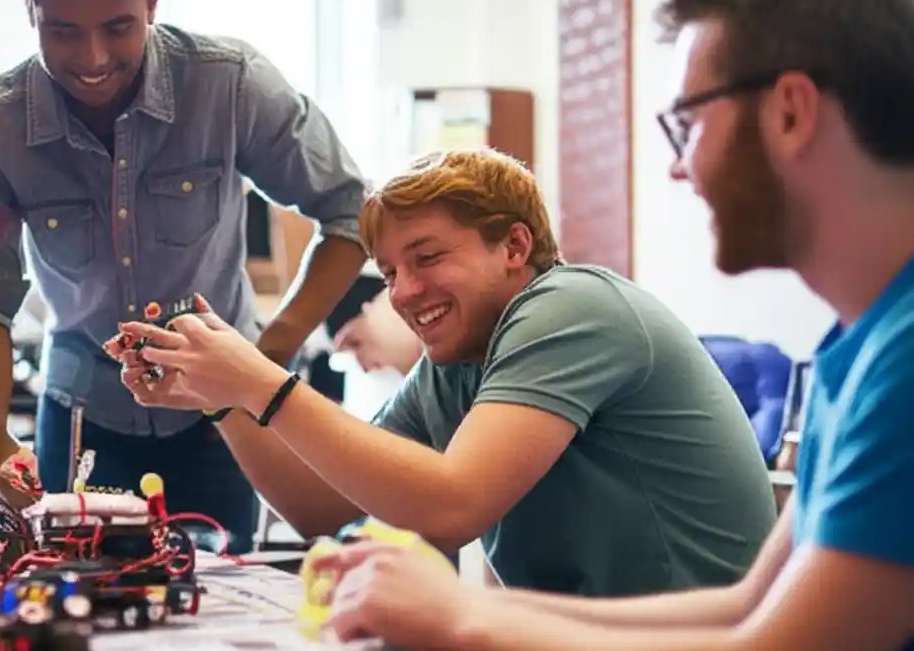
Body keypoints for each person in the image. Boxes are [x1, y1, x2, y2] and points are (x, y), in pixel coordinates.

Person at [300, 0, 914, 651]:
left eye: (688, 123)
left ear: (790, 112)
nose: (679, 167)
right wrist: (455, 607)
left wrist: (464, 619)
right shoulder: (860, 347)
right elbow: (746, 608)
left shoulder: (904, 362)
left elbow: (784, 650)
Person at [113, 147, 778, 596]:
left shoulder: (572, 306)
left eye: (427, 258)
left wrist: (259, 379)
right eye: (390, 272)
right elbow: (328, 507)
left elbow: (452, 506)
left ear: (514, 245)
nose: (403, 293)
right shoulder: (461, 359)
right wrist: (225, 400)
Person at [0, 0, 367, 552]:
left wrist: (268, 354)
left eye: (118, 28)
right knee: (70, 593)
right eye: (63, 32)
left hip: (222, 422)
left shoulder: (230, 85)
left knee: (222, 593)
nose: (92, 58)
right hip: (82, 416)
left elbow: (350, 212)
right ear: (29, 7)